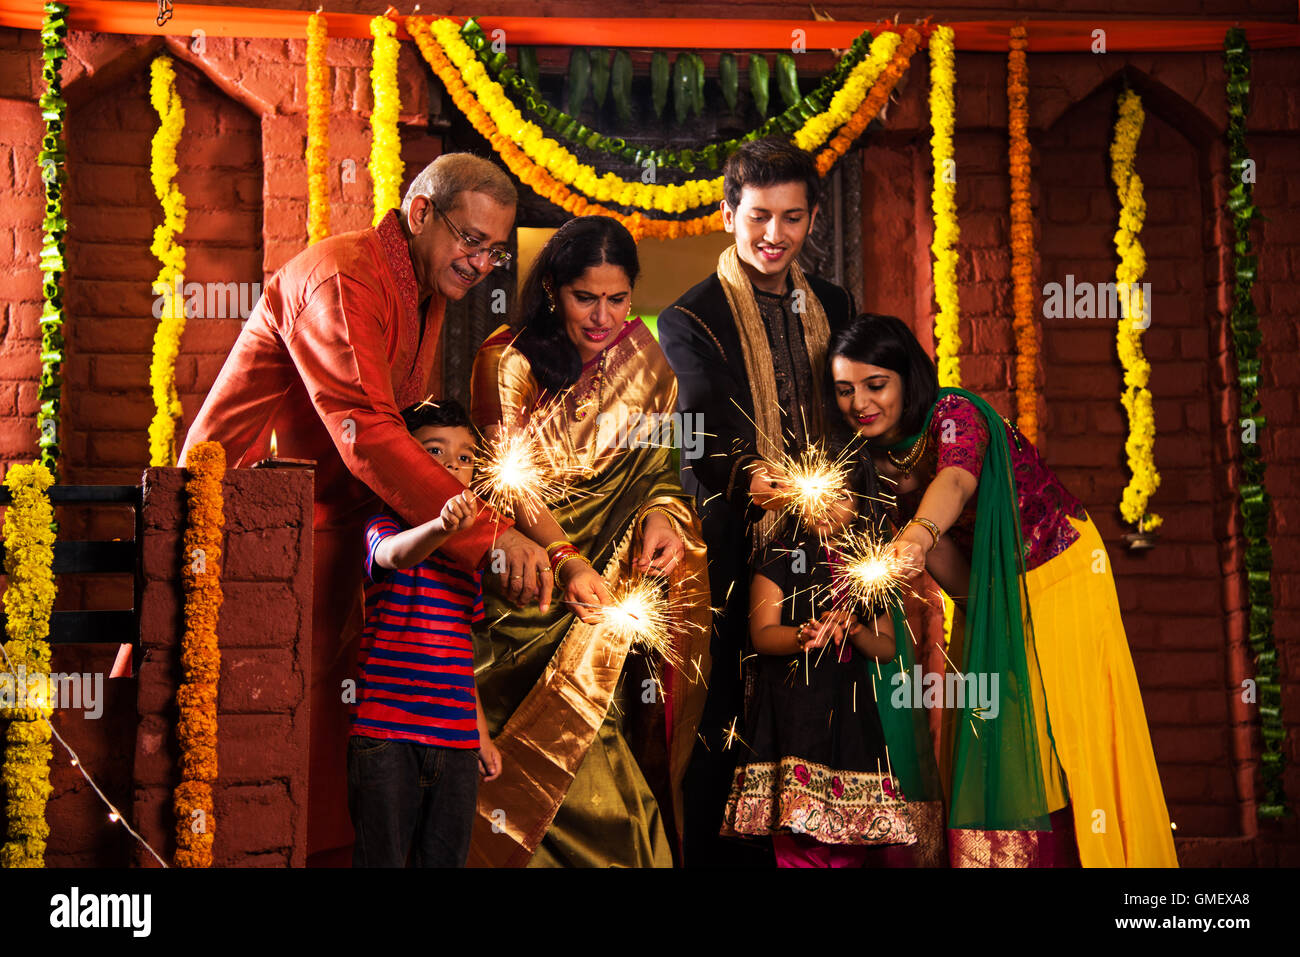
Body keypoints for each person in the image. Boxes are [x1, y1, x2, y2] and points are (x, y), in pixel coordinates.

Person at [178, 154, 563, 866]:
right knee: (247, 768)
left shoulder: (423, 287)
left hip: (337, 547)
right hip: (249, 542)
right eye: (469, 241)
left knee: (329, 779)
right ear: (421, 214)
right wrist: (491, 538)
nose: (481, 262)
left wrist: (546, 543)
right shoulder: (343, 275)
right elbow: (375, 440)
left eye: (495, 251)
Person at [827, 313, 1178, 868]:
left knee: (1070, 726)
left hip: (1059, 571)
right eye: (845, 390)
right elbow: (940, 556)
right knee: (993, 722)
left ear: (907, 378)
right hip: (988, 594)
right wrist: (979, 619)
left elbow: (957, 480)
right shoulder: (868, 460)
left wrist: (916, 534)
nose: (860, 403)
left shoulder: (953, 414)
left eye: (876, 385)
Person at [468, 215, 711, 867]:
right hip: (523, 596)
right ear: (552, 289)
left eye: (618, 298)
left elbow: (660, 470)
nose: (603, 317)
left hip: (604, 602)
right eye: (585, 297)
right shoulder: (506, 359)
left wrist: (664, 515)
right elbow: (507, 480)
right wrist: (566, 559)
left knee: (607, 765)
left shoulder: (647, 363)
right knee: (521, 785)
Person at [657, 138, 856, 866]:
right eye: (760, 217)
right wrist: (763, 484)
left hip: (833, 537)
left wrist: (846, 495)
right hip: (737, 543)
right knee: (730, 719)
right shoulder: (691, 317)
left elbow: (855, 406)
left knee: (831, 698)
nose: (776, 236)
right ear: (727, 213)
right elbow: (699, 435)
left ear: (811, 219)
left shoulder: (832, 303)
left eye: (794, 218)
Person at [720, 450, 937, 867]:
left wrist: (854, 629)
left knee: (846, 841)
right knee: (797, 840)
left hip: (851, 718)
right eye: (820, 493)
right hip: (793, 712)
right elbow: (762, 635)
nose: (826, 507)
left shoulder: (869, 567)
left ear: (860, 504)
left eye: (843, 497)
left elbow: (887, 648)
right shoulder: (779, 554)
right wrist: (803, 636)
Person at [349, 398, 502, 867]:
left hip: (456, 743)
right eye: (434, 453)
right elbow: (394, 555)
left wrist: (481, 733)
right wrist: (439, 525)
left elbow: (462, 652)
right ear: (406, 462)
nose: (453, 467)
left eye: (465, 457)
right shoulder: (385, 526)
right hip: (386, 737)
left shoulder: (470, 558)